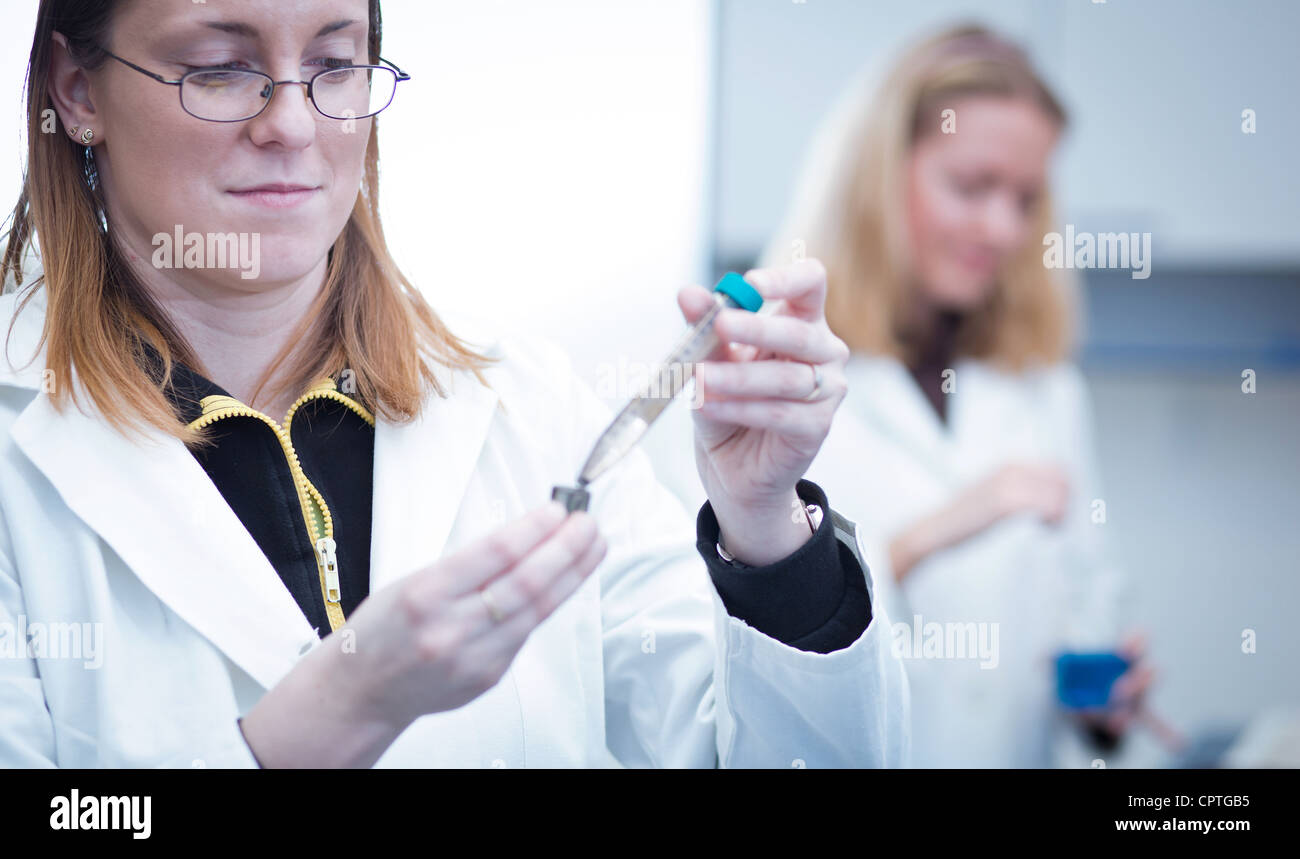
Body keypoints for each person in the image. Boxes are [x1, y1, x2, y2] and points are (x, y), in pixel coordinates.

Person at [0, 0, 907, 768]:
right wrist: (326, 718)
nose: (293, 122)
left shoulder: (529, 410)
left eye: (334, 62)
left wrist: (768, 535)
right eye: (219, 68)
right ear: (77, 91)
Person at [761, 24, 1152, 767]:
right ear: (879, 175)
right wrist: (937, 528)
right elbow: (739, 651)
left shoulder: (1042, 386)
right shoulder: (774, 370)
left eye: (1025, 198)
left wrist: (1102, 714)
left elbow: (1091, 603)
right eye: (973, 187)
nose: (1004, 227)